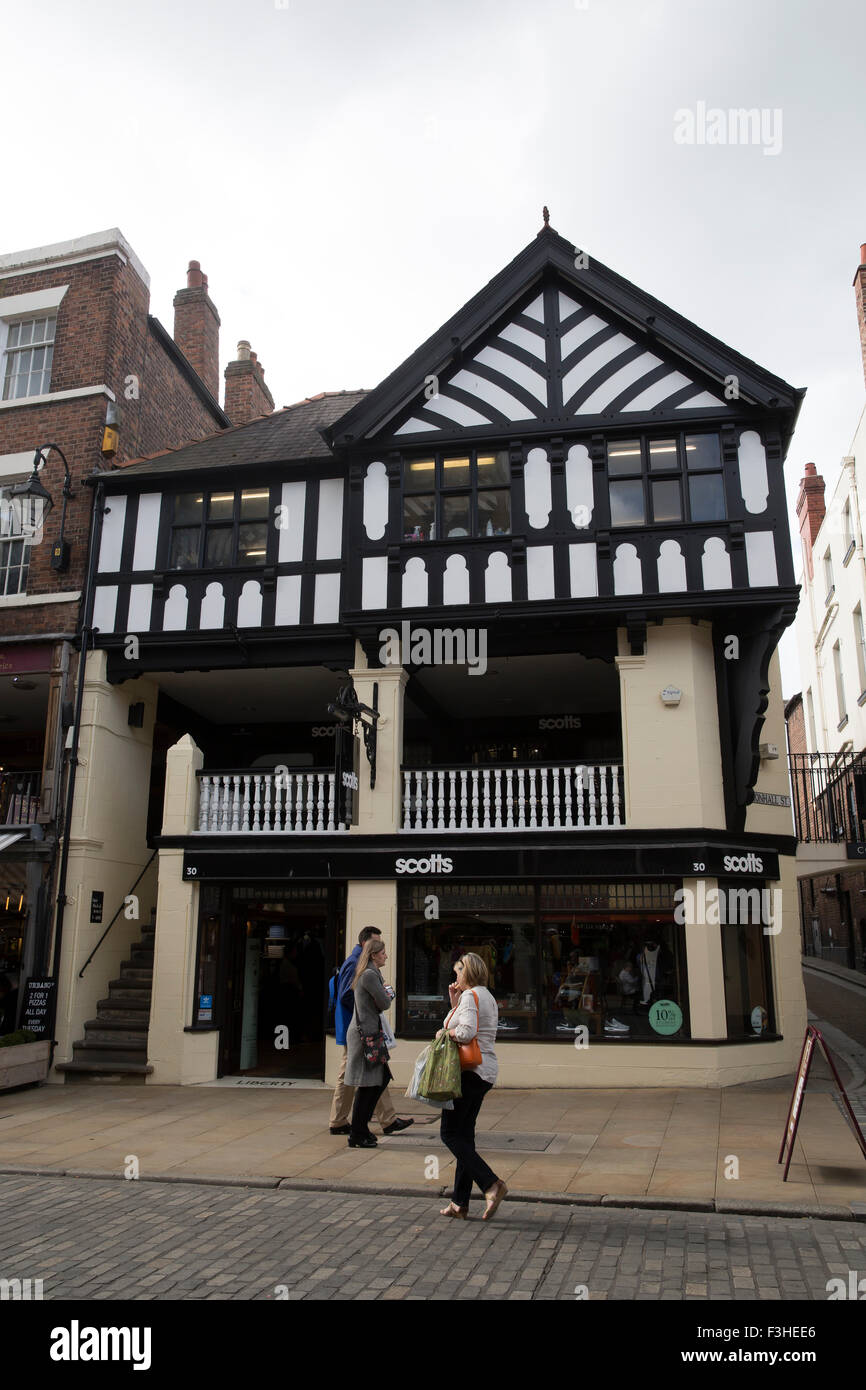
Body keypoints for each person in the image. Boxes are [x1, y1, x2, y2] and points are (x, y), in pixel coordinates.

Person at [438, 952, 507, 1221]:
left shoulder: (471, 996)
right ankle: (459, 1202)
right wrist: (454, 1003)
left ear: (467, 972)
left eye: (458, 971)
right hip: (485, 1072)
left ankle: (492, 1184)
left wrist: (445, 1033)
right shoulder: (484, 995)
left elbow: (465, 1032)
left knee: (449, 1134)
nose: (455, 976)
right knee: (464, 1136)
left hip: (469, 1072)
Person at [328, 926, 413, 1136]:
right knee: (354, 1076)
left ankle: (384, 1120)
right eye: (377, 945)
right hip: (358, 1029)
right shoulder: (357, 964)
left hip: (360, 1028)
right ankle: (343, 1122)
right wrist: (369, 1005)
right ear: (367, 945)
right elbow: (346, 995)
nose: (383, 951)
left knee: (374, 1074)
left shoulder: (364, 964)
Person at [344, 937, 395, 1148]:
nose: (385, 956)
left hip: (369, 1034)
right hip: (366, 1036)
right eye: (382, 952)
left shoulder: (371, 974)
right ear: (374, 955)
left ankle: (361, 1129)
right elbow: (384, 1002)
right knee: (367, 1085)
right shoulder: (370, 975)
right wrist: (390, 992)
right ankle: (357, 1134)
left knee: (379, 1080)